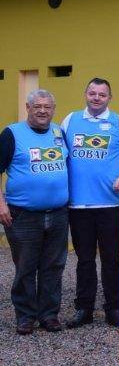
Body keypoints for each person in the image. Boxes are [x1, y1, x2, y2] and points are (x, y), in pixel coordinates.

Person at [61, 78, 119, 328]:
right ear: (85, 95)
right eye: (92, 93)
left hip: (110, 205)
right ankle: (84, 308)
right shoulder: (70, 120)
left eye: (102, 94)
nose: (96, 98)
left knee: (111, 259)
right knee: (84, 259)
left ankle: (113, 307)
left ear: (110, 97)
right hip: (78, 206)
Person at [0, 90, 69, 334]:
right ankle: (25, 316)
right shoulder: (12, 134)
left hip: (59, 213)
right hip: (23, 215)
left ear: (53, 109)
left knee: (54, 266)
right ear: (28, 107)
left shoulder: (60, 133)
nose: (42, 111)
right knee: (26, 267)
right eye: (37, 106)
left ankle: (49, 315)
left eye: (47, 107)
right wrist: (1, 204)